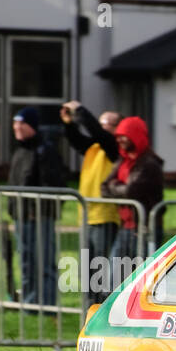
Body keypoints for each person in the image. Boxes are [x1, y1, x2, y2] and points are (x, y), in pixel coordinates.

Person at [60, 101, 120, 304]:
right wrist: (69, 124)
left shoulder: (114, 147)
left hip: (105, 216)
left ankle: (101, 310)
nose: (102, 128)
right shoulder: (93, 147)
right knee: (87, 272)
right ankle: (88, 312)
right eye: (101, 123)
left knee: (100, 271)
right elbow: (76, 140)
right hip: (87, 216)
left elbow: (99, 133)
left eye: (108, 125)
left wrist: (81, 111)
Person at [7, 106, 64, 305]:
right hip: (21, 217)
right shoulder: (20, 151)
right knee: (27, 261)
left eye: (21, 123)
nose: (17, 127)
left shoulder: (45, 150)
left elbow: (53, 184)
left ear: (32, 126)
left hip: (40, 217)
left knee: (44, 262)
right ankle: (30, 304)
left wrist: (36, 209)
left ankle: (46, 304)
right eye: (15, 123)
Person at [101, 116, 163, 285]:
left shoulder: (149, 163)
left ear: (135, 135)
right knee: (112, 281)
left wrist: (116, 186)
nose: (119, 139)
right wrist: (119, 186)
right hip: (125, 228)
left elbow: (131, 191)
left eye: (124, 135)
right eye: (118, 135)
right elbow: (104, 187)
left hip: (143, 230)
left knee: (142, 282)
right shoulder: (123, 160)